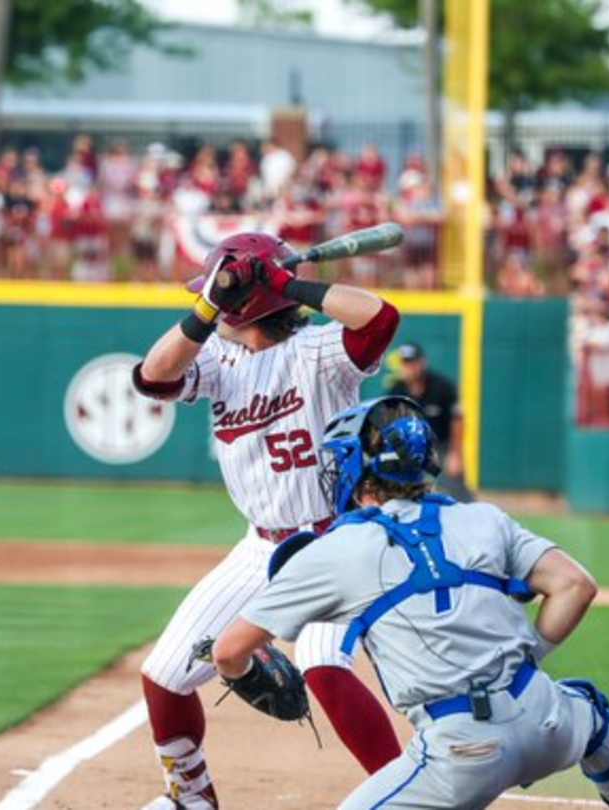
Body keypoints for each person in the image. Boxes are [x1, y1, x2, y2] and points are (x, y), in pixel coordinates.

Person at [210, 396, 609, 810]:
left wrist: (246, 676)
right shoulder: (484, 518)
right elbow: (575, 585)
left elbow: (230, 652)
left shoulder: (336, 550)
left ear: (359, 469)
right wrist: (523, 662)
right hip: (545, 720)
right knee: (588, 711)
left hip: (463, 753)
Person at [132, 232, 404, 809]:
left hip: (338, 541)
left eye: (220, 291)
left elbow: (381, 319)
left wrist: (281, 282)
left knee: (323, 668)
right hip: (260, 549)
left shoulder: (318, 354)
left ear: (247, 303)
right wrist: (206, 307)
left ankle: (411, 797)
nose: (212, 298)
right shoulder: (218, 359)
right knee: (164, 676)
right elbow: (152, 378)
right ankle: (192, 800)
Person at [386, 343, 469, 501]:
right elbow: (389, 424)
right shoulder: (397, 390)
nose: (408, 368)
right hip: (411, 450)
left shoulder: (442, 387)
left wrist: (456, 455)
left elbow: (457, 421)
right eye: (405, 363)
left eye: (412, 362)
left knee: (458, 493)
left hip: (442, 448)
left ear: (422, 363)